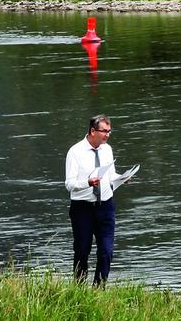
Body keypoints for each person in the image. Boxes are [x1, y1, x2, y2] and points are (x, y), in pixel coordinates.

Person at [64, 114, 119, 285]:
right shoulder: (75, 152)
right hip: (83, 208)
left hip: (106, 206)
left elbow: (110, 176)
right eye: (104, 131)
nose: (107, 135)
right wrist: (87, 183)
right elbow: (69, 184)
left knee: (106, 251)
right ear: (93, 131)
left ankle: (99, 288)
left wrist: (122, 178)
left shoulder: (107, 149)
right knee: (82, 250)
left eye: (109, 131)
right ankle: (79, 288)